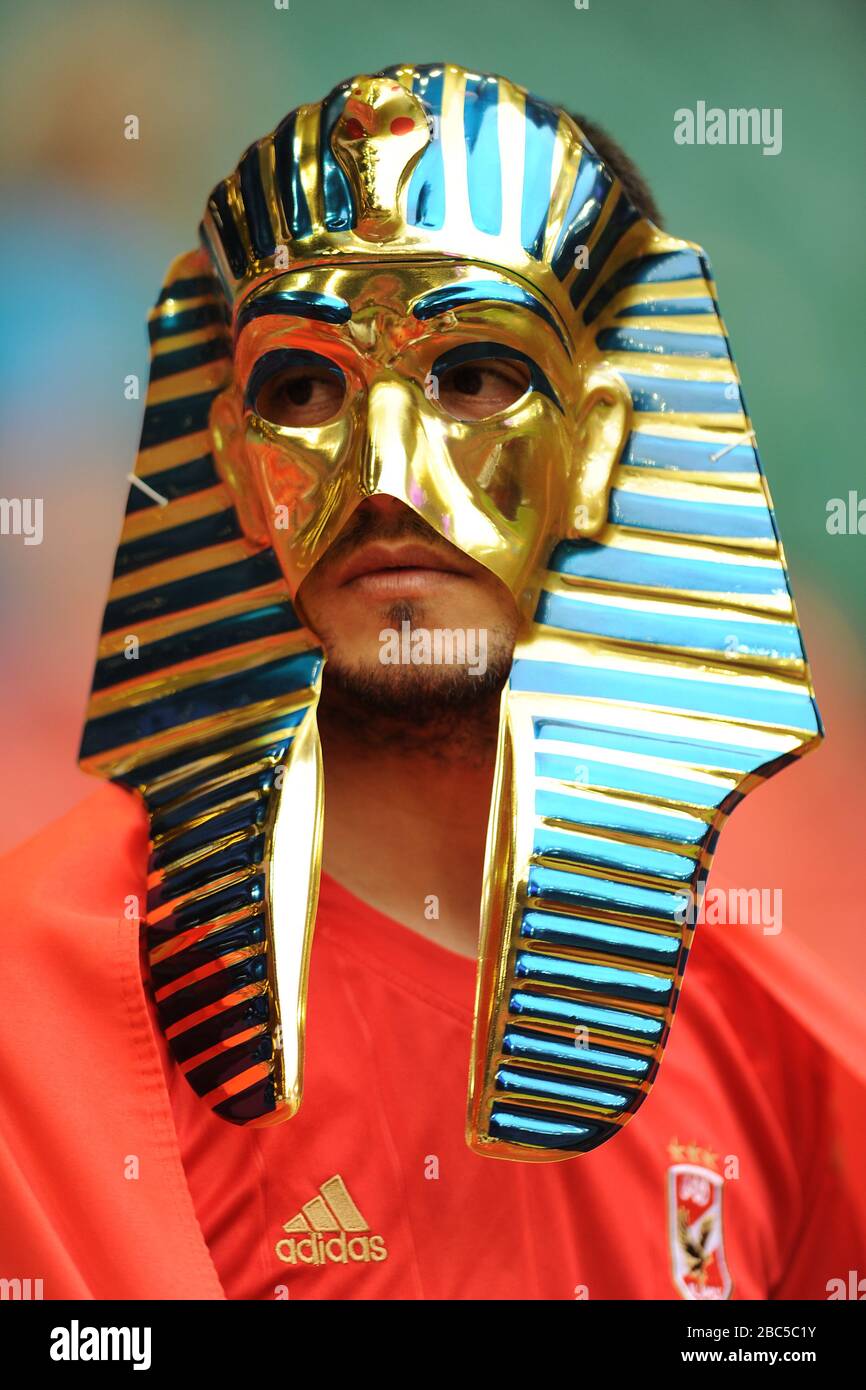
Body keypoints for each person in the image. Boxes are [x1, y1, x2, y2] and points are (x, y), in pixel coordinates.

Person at [0, 63, 862, 1302]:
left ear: (607, 438)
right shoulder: (45, 1018)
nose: (388, 476)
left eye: (472, 377)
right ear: (239, 472)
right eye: (304, 389)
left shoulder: (788, 1058)